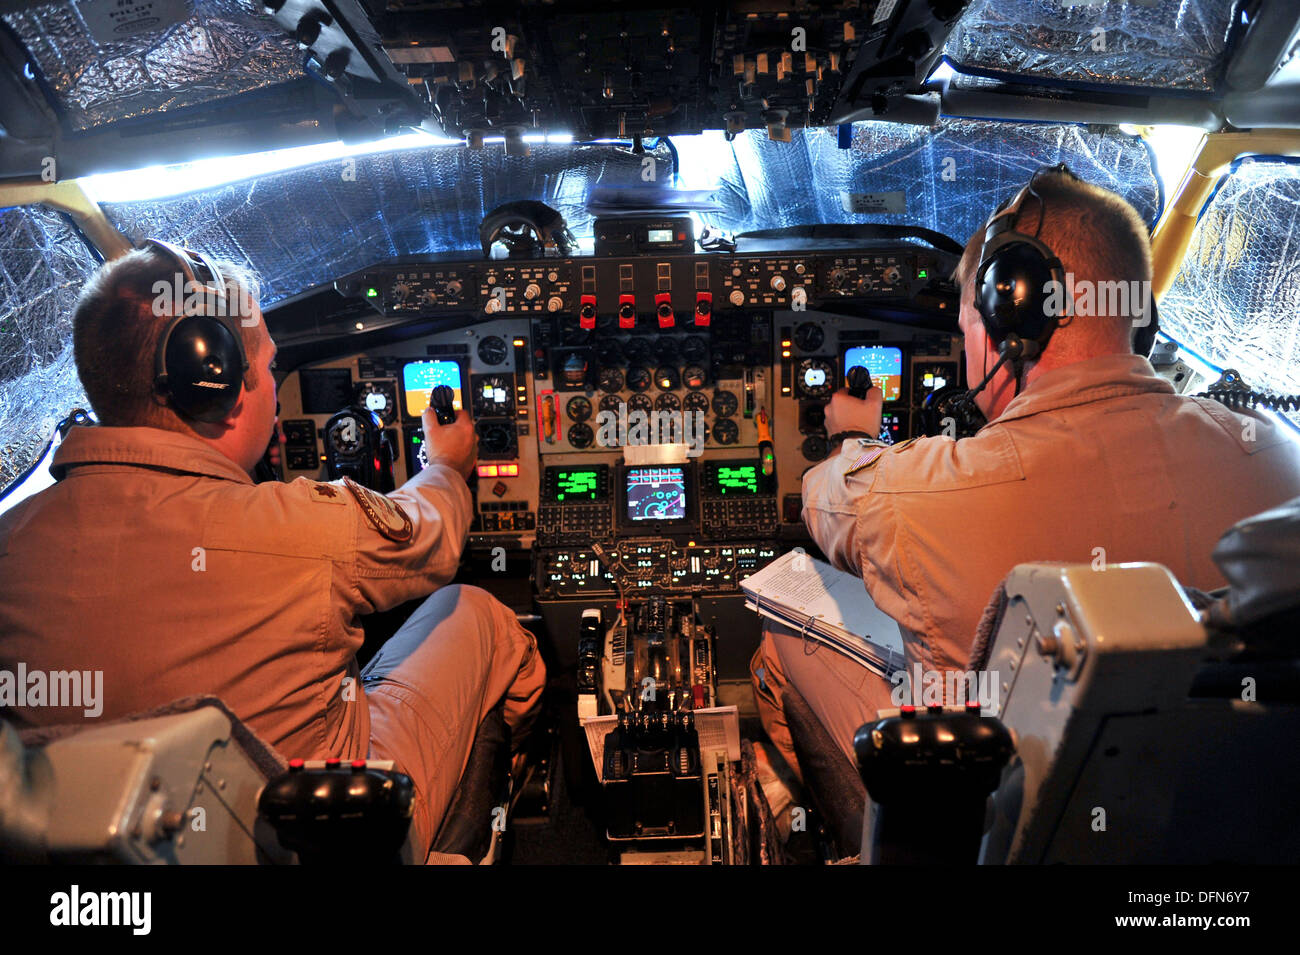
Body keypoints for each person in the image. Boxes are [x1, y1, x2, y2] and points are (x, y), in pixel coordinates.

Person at [0, 241, 544, 860]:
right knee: (476, 612)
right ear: (220, 382)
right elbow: (433, 538)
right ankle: (515, 795)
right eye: (268, 367)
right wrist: (447, 464)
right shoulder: (297, 525)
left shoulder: (9, 547)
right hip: (331, 825)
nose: (271, 384)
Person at [751, 168, 1300, 779]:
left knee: (778, 642)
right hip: (1202, 806)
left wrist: (852, 437)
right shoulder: (1278, 460)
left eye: (965, 328)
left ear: (1007, 316)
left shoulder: (912, 496)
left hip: (979, 810)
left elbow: (819, 502)